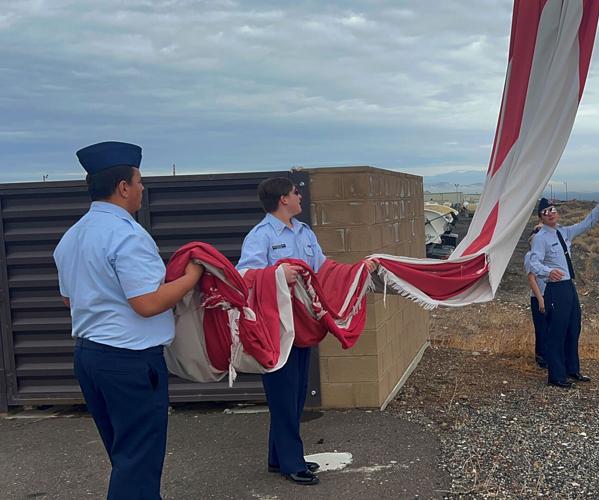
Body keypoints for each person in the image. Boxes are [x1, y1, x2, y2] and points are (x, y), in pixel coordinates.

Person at [53, 141, 204, 500]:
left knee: (125, 455)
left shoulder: (72, 236)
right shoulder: (128, 235)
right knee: (138, 459)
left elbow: (69, 299)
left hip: (90, 357)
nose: (142, 188)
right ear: (123, 187)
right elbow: (148, 303)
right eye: (139, 181)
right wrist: (193, 276)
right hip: (129, 361)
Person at [237, 176, 376, 486]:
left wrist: (357, 270)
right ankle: (292, 462)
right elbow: (243, 275)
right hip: (277, 328)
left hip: (302, 325)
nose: (300, 196)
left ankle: (278, 457)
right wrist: (277, 273)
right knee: (283, 395)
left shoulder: (304, 232)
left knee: (296, 394)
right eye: (295, 192)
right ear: (283, 199)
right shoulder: (260, 236)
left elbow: (323, 268)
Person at [528, 192, 599, 388]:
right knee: (557, 332)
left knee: (573, 328)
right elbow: (534, 263)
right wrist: (548, 272)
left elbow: (587, 223)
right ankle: (556, 376)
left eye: (552, 210)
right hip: (555, 289)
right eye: (545, 212)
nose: (550, 214)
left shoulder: (564, 232)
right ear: (540, 217)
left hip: (569, 286)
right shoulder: (540, 238)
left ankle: (572, 369)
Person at [523, 225, 546, 368]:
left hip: (550, 295)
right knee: (541, 328)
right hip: (538, 296)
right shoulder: (530, 256)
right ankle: (541, 357)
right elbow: (532, 279)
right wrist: (540, 299)